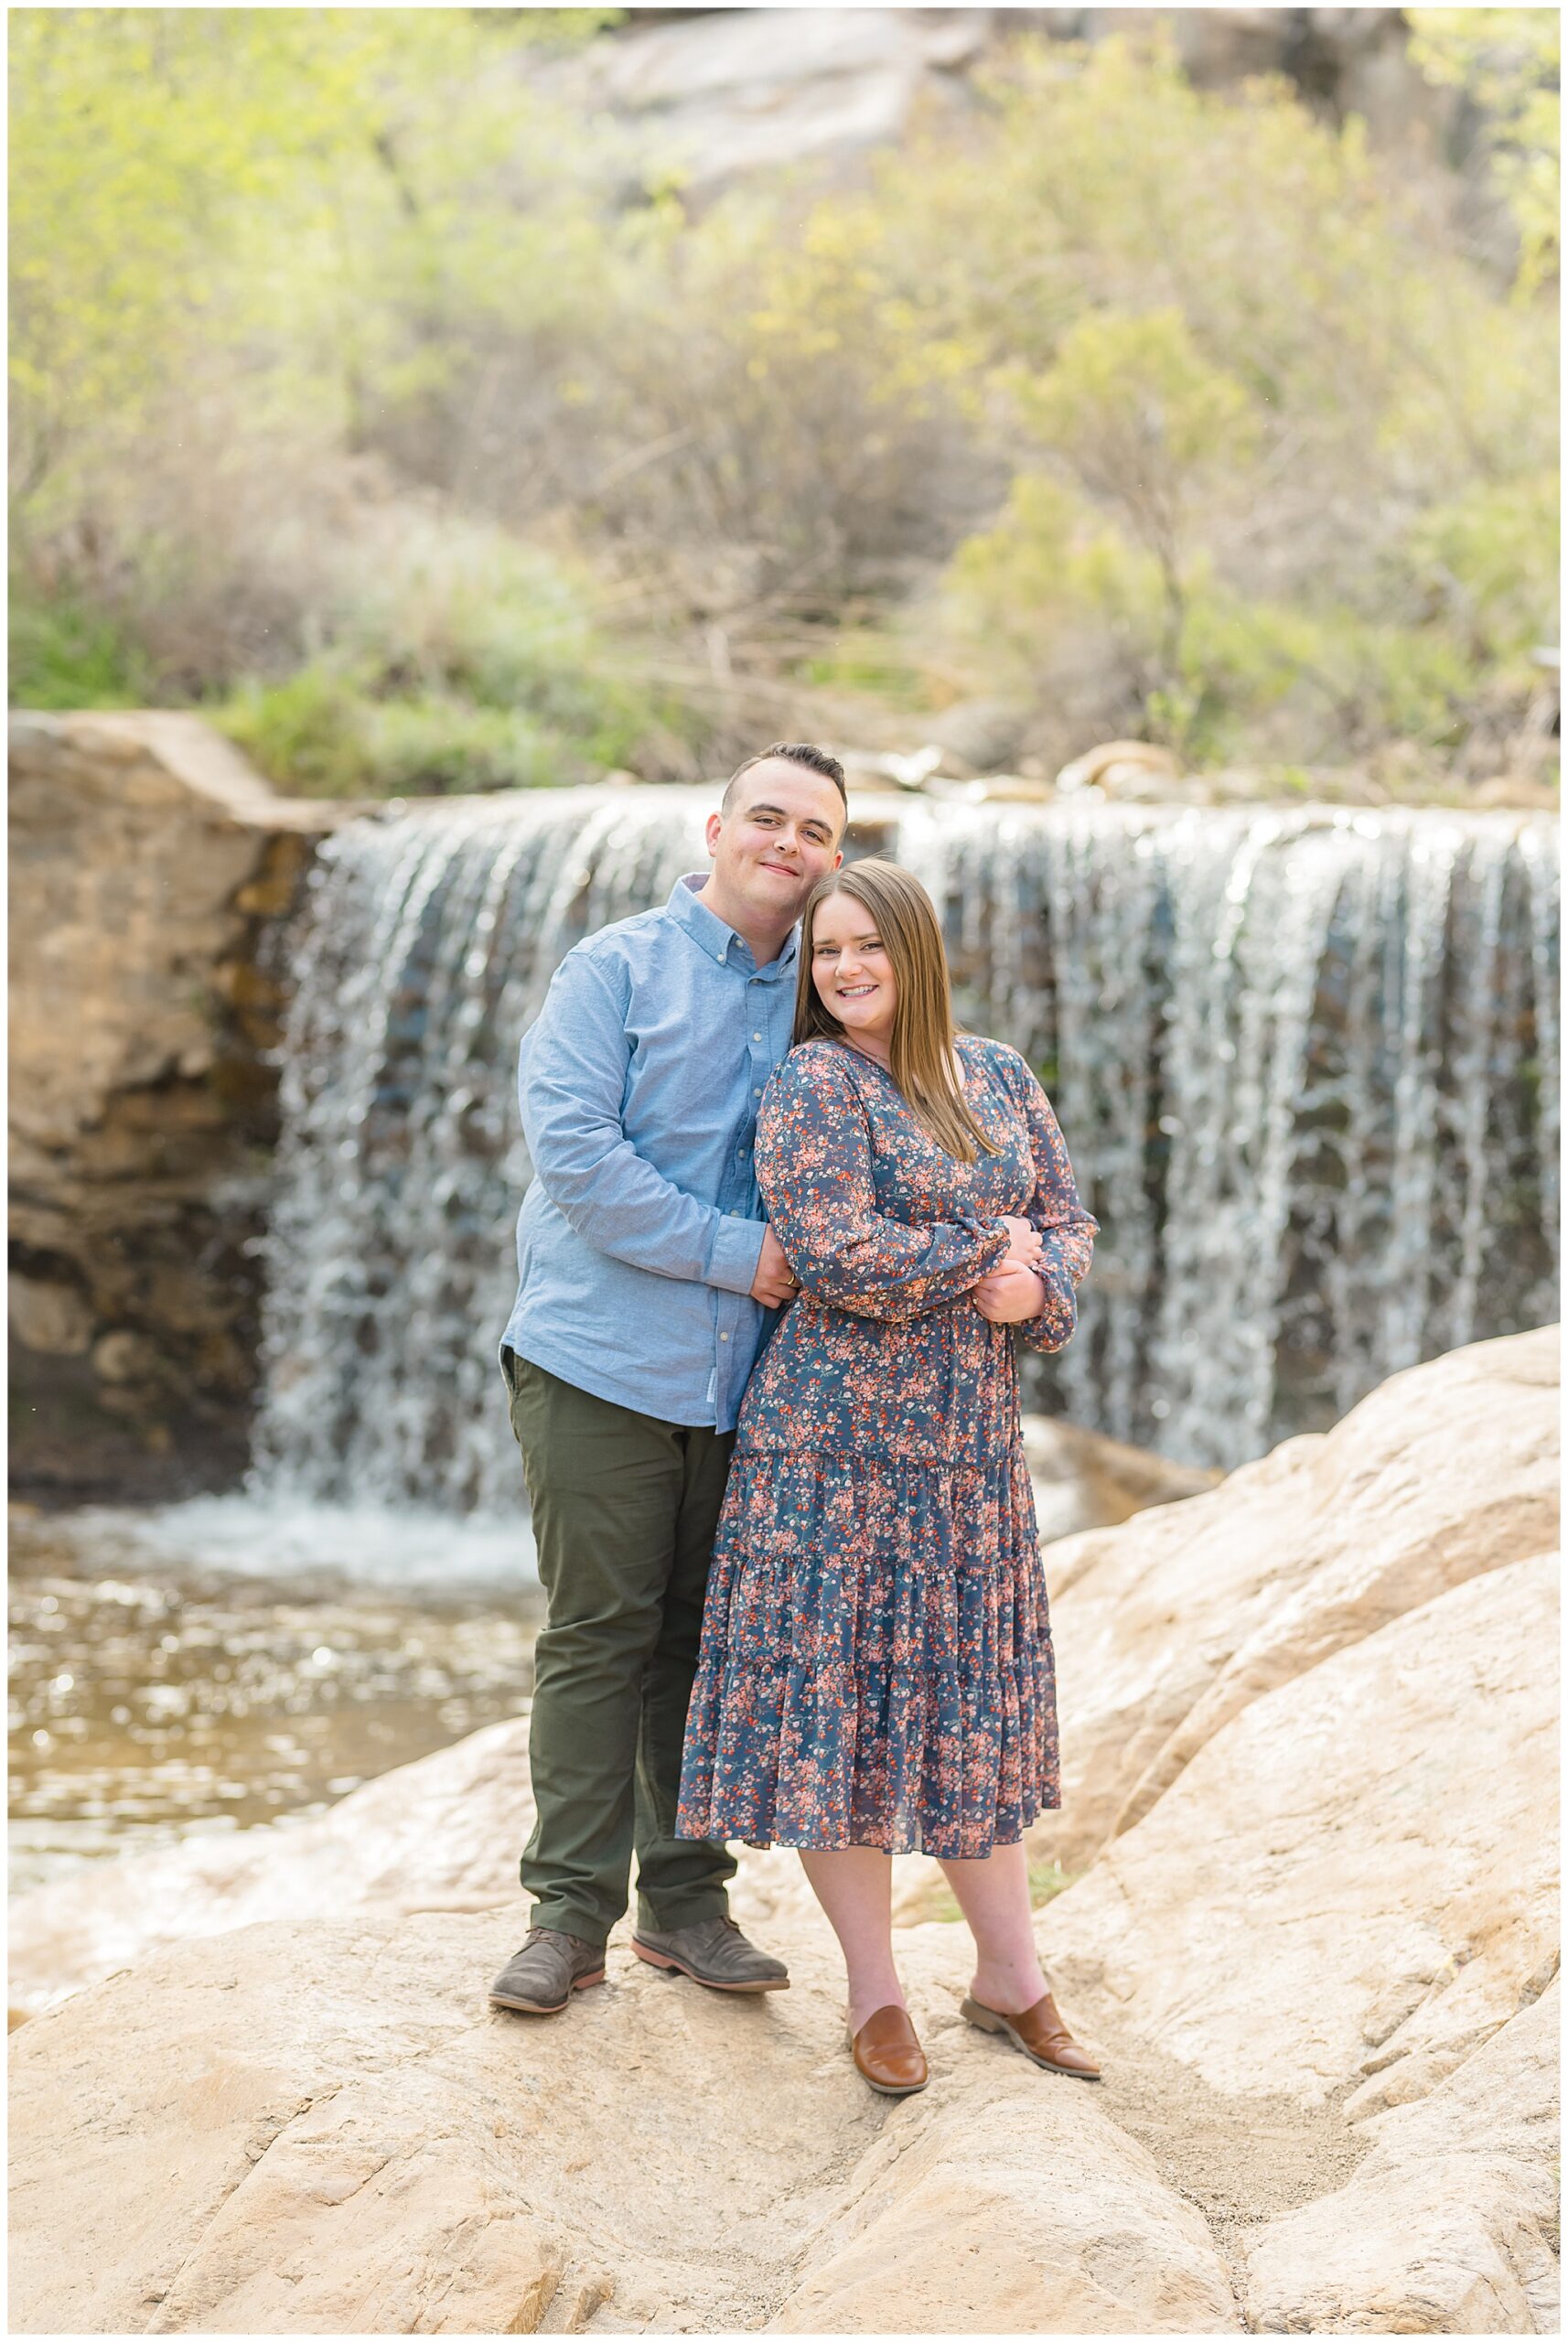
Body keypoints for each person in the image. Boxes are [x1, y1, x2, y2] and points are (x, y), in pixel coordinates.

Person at [676, 858, 1101, 2093]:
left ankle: (1008, 1977)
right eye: (825, 953)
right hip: (827, 1455)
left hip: (965, 1452)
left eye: (868, 947)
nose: (847, 970)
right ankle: (874, 1997)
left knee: (967, 1714)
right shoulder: (812, 1081)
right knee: (838, 1721)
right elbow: (832, 1249)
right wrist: (987, 1250)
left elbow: (1066, 1218)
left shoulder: (999, 1074)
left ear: (916, 953)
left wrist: (1040, 1284)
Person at [489, 744, 848, 2018]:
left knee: (703, 1649)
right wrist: (736, 1254)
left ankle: (686, 1906)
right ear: (714, 828)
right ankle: (565, 1920)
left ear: (834, 858)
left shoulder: (830, 988)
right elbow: (577, 1158)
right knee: (599, 1638)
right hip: (601, 1360)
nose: (786, 844)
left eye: (814, 830)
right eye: (767, 818)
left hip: (754, 1390)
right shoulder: (615, 969)